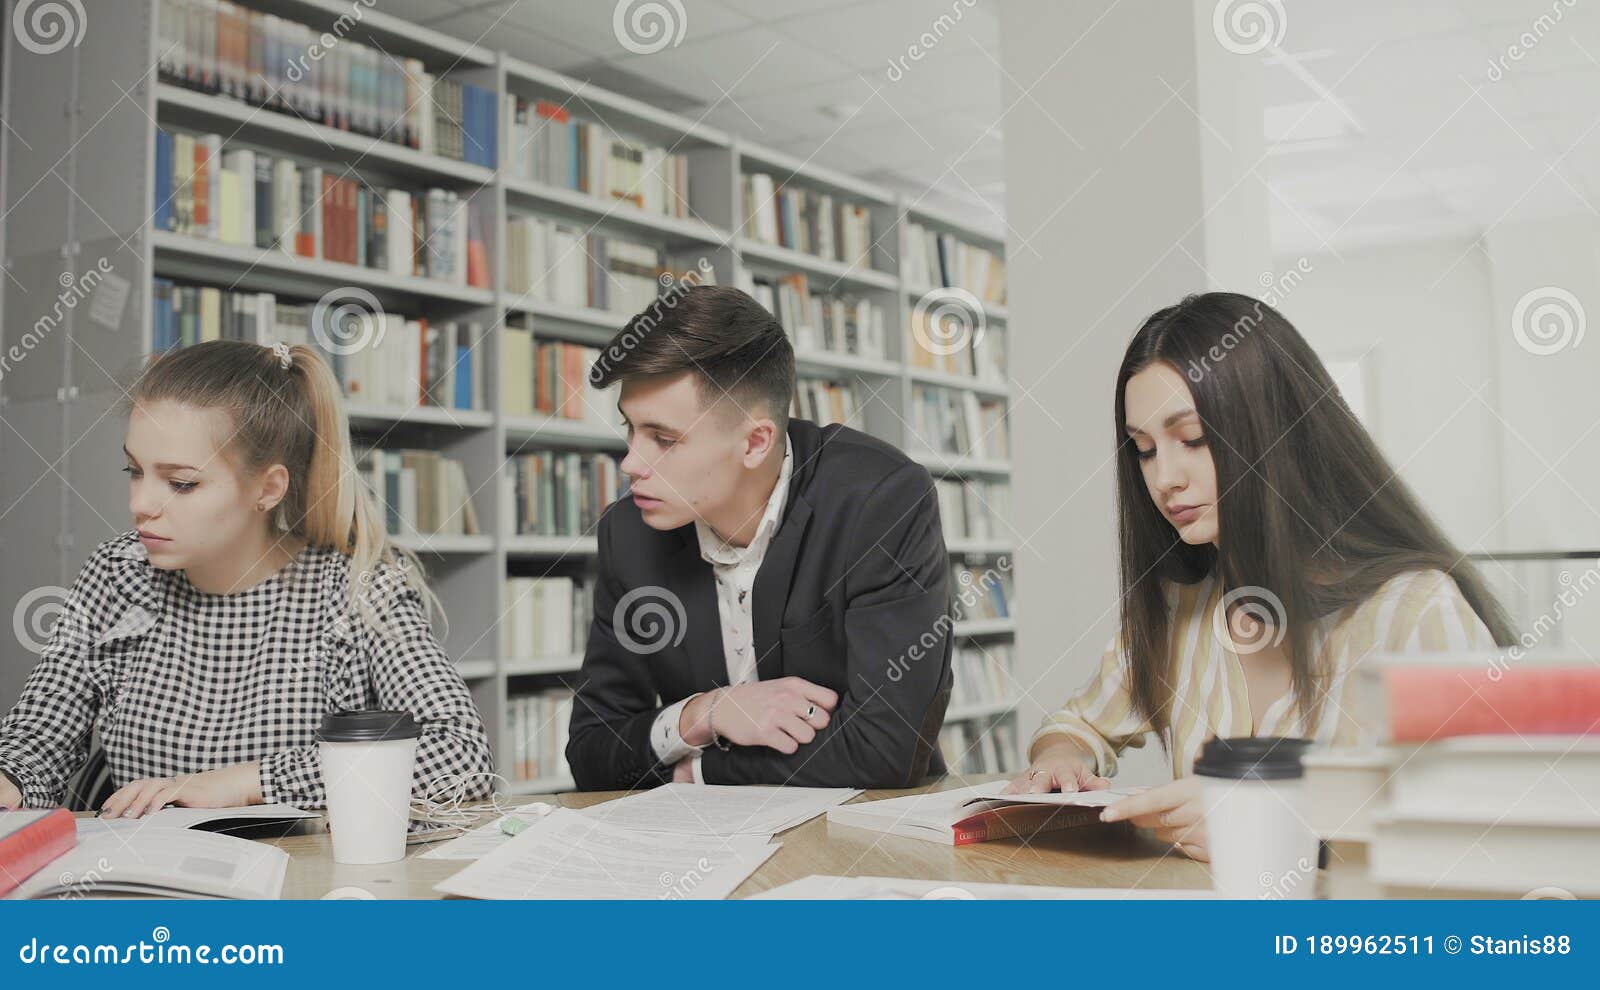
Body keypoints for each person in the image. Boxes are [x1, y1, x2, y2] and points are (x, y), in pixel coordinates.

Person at [1006, 292, 1514, 862]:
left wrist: (1287, 830)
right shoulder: (1179, 612)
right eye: (1144, 450)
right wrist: (1060, 759)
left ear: (1276, 431)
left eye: (1193, 439)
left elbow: (1489, 837)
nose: (1164, 477)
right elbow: (1075, 725)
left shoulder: (1414, 608)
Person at [0, 340, 494, 817]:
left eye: (181, 483)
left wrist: (249, 784)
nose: (141, 504)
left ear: (268, 488)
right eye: (134, 470)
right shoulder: (115, 574)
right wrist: (11, 778)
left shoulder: (359, 588)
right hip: (149, 887)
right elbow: (40, 737)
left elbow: (460, 755)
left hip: (304, 887)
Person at [566, 285, 953, 790]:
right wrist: (706, 713)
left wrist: (697, 769)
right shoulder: (629, 533)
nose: (631, 464)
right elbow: (593, 753)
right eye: (630, 430)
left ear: (755, 442)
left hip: (862, 836)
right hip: (698, 844)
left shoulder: (880, 502)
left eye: (663, 439)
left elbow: (886, 752)